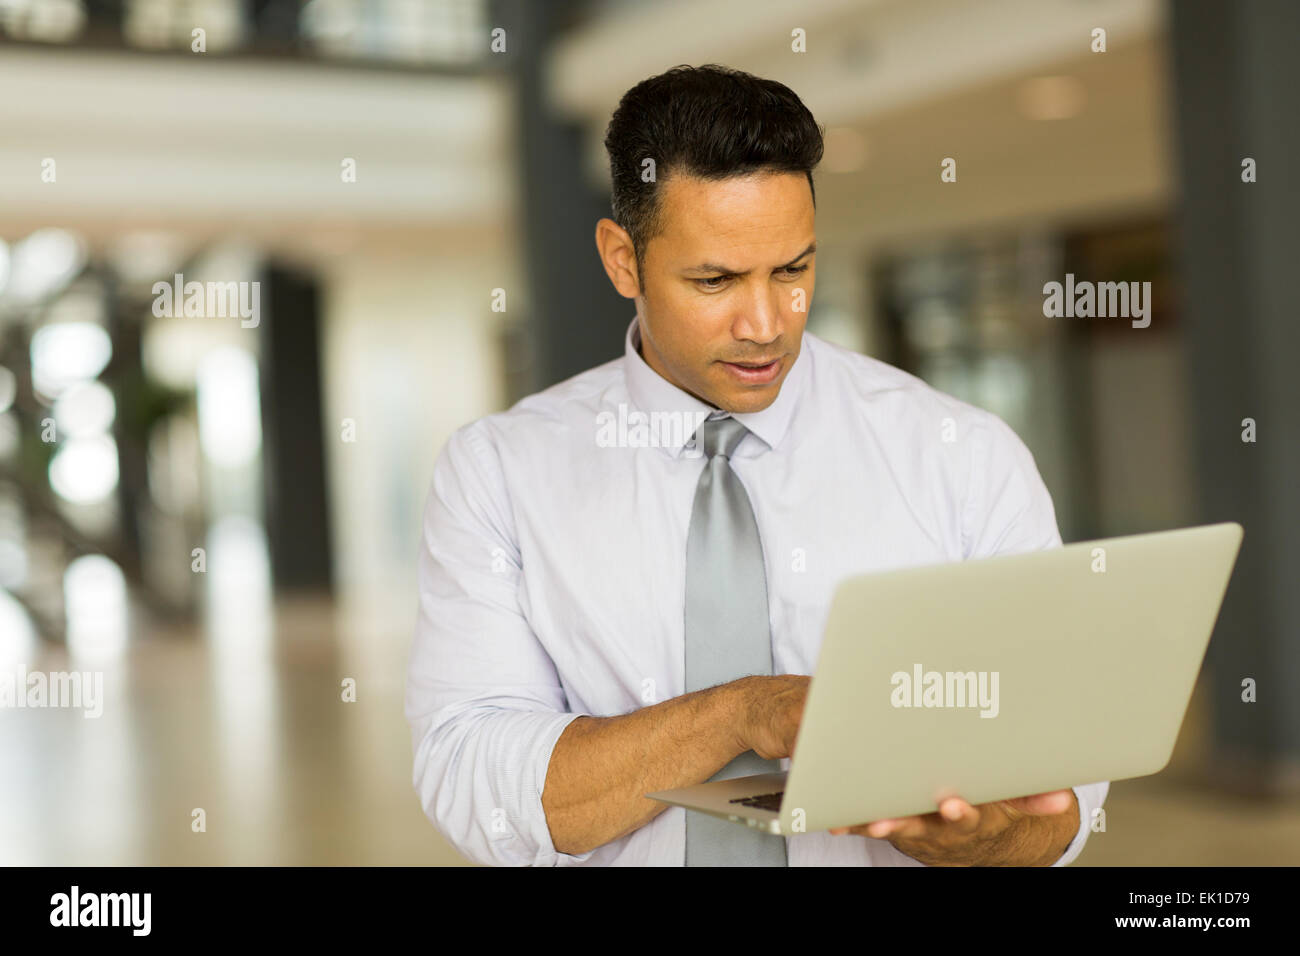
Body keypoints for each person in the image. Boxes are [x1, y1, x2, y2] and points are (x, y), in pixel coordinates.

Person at [405, 64, 1108, 866]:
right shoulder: (498, 472)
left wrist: (991, 840)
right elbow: (472, 778)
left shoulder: (963, 454)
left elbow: (1067, 786)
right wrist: (740, 715)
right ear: (622, 260)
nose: (766, 323)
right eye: (716, 280)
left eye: (794, 270)